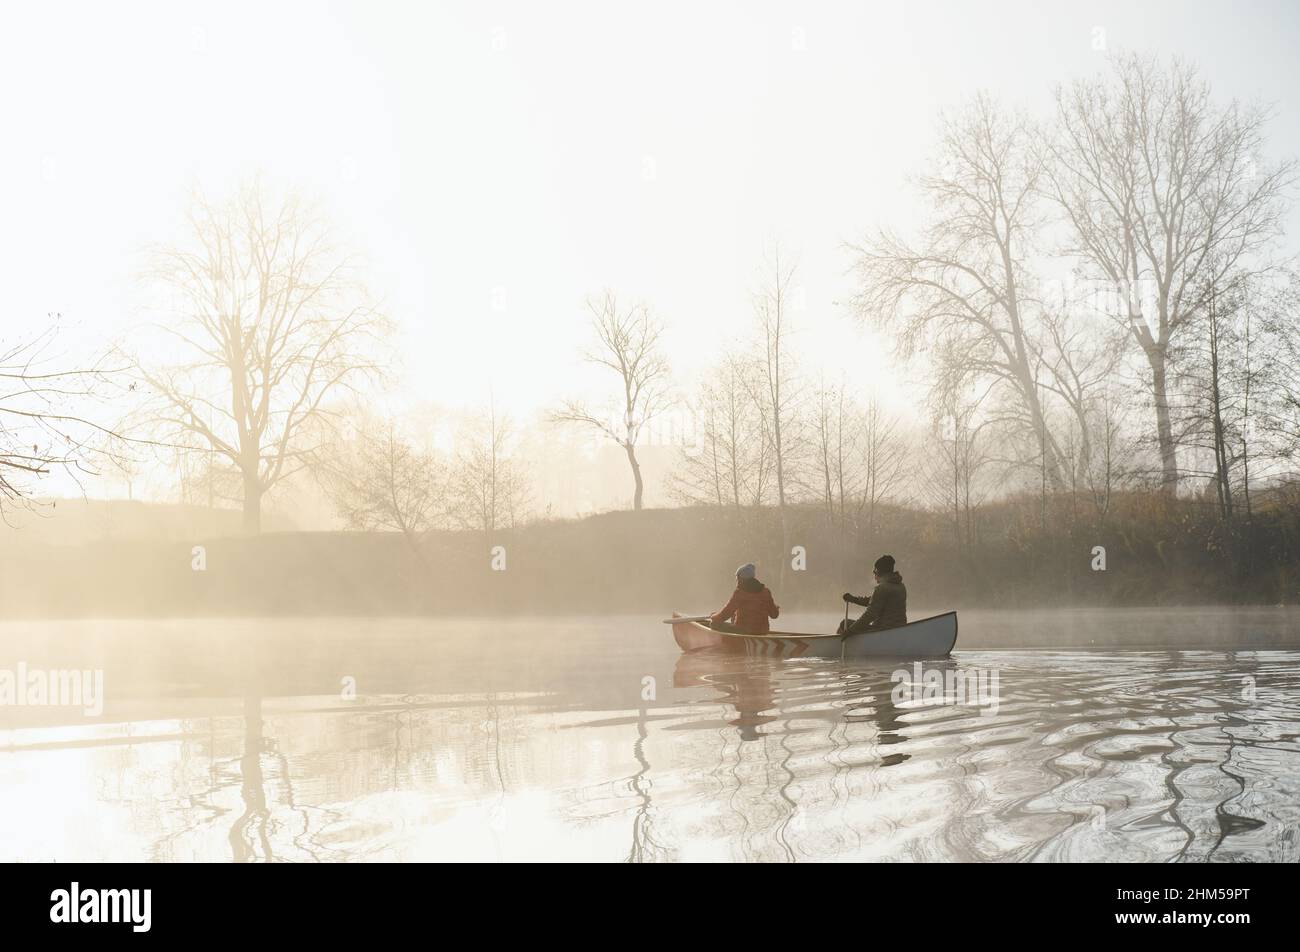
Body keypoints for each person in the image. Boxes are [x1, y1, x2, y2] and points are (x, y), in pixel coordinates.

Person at [838, 554, 907, 634]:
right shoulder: (900, 586)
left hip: (882, 630)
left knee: (844, 623)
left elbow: (870, 614)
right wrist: (854, 599)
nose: (874, 575)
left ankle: (836, 644)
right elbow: (875, 602)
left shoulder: (882, 588)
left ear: (879, 572)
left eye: (874, 571)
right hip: (899, 628)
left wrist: (850, 630)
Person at [710, 562, 780, 635]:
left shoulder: (740, 593)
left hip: (743, 631)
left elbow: (725, 613)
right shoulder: (766, 592)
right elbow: (774, 615)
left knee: (714, 624)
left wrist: (713, 617)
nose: (736, 581)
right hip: (762, 632)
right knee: (734, 616)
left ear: (741, 578)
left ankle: (727, 643)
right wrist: (776, 608)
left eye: (737, 578)